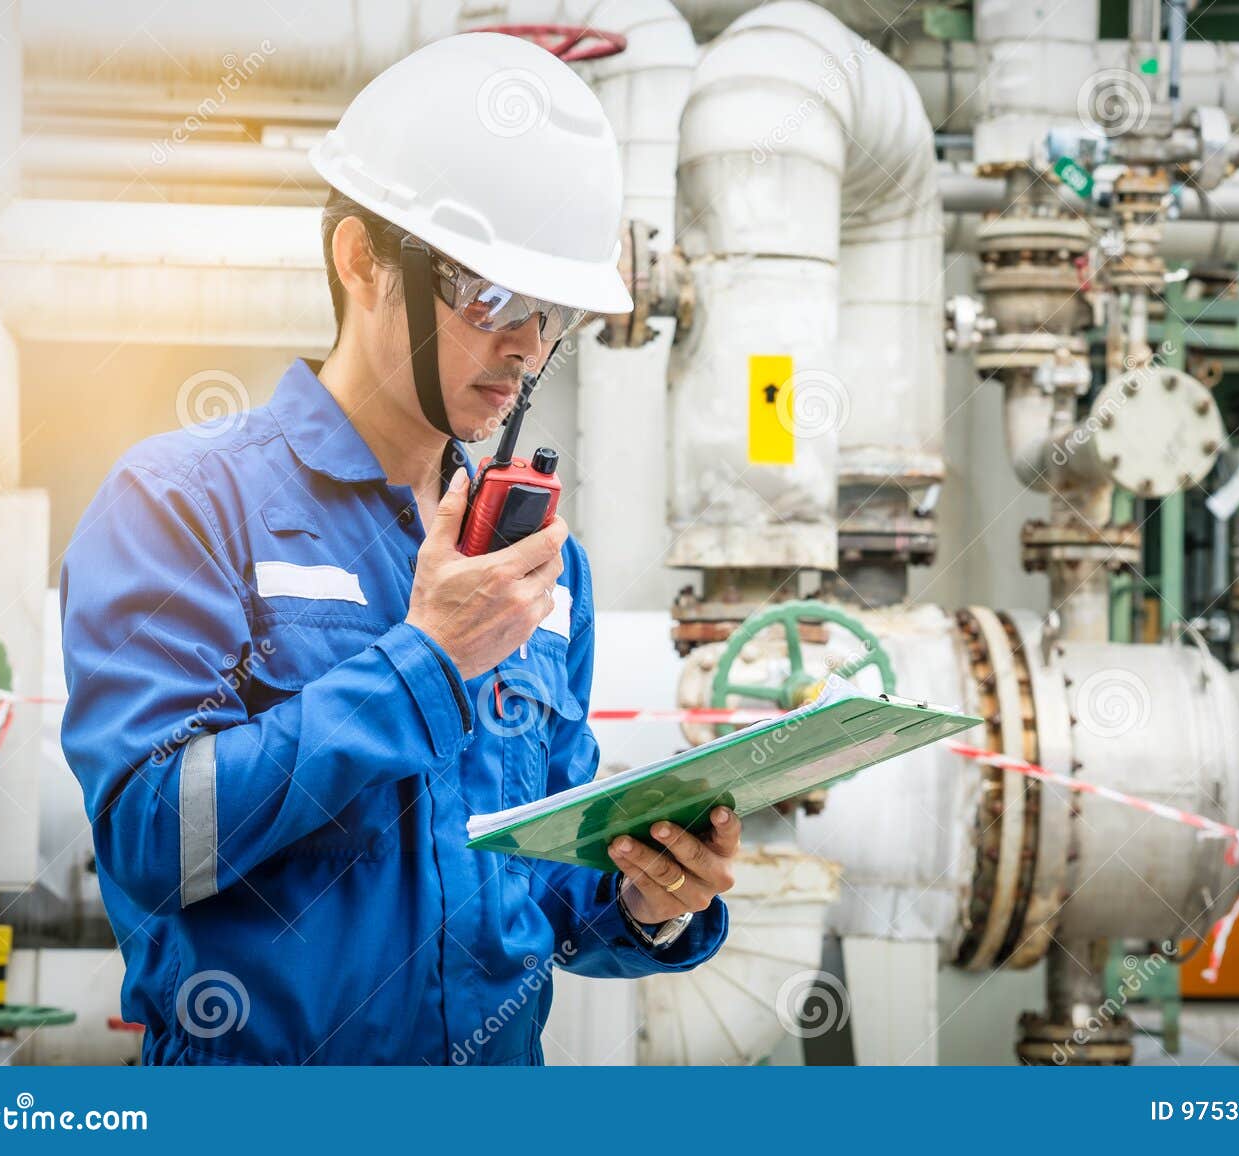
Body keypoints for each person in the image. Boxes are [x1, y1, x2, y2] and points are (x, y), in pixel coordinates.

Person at [59, 32, 737, 1066]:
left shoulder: (542, 570)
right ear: (362, 262)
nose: (527, 347)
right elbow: (157, 840)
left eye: (550, 313)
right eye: (492, 299)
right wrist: (422, 664)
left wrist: (646, 899)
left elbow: (538, 888)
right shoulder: (183, 503)